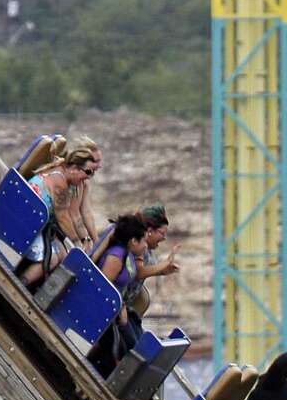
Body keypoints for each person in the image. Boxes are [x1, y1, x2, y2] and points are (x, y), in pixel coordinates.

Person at [18, 147, 99, 288]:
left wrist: (86, 239)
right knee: (52, 259)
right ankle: (19, 285)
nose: (88, 177)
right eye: (88, 172)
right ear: (74, 167)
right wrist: (77, 244)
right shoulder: (59, 182)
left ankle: (41, 291)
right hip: (25, 220)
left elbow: (73, 216)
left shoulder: (67, 179)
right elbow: (63, 218)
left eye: (92, 173)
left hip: (38, 223)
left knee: (64, 256)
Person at [90, 213, 150, 375]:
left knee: (136, 337)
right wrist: (118, 309)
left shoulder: (129, 256)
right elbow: (102, 289)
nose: (146, 245)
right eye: (143, 240)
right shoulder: (116, 256)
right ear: (133, 241)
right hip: (105, 312)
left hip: (118, 311)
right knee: (126, 347)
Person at [121, 203, 178, 331]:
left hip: (129, 307)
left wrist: (163, 271)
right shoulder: (139, 245)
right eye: (162, 233)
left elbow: (149, 270)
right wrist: (163, 265)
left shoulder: (148, 250)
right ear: (150, 231)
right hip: (120, 304)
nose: (164, 238)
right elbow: (139, 272)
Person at [63, 133, 103, 250]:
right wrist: (85, 239)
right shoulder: (75, 180)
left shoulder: (83, 181)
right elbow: (74, 214)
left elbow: (86, 212)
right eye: (95, 161)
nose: (98, 165)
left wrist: (97, 242)